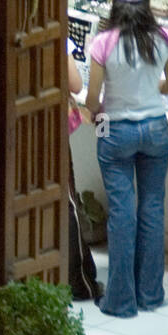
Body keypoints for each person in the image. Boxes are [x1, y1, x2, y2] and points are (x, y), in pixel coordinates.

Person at [84, 0, 168, 318]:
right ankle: (151, 294)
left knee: (122, 213)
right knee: (152, 209)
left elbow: (94, 100)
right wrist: (146, 88)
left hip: (116, 130)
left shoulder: (102, 44)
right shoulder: (166, 38)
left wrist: (92, 110)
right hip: (156, 127)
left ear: (113, 1)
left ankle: (121, 300)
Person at [66, 41, 101, 301]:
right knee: (67, 204)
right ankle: (79, 280)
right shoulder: (56, 33)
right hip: (50, 127)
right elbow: (76, 84)